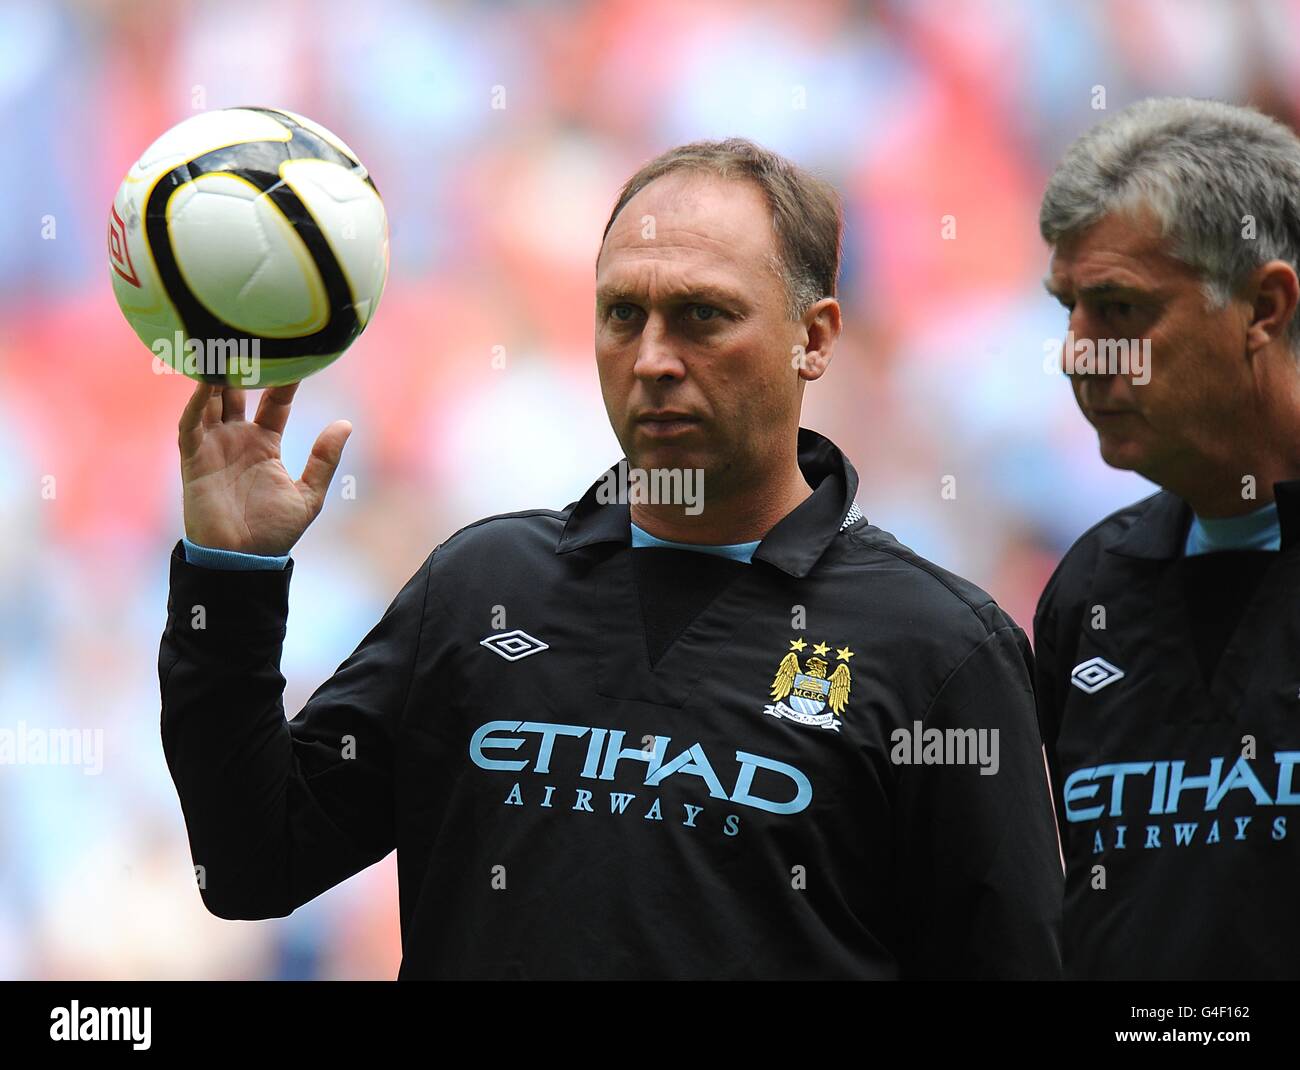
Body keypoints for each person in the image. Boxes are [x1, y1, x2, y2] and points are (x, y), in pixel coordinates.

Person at [161, 137, 1062, 979]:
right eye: (623, 314)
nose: (654, 358)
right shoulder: (482, 588)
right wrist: (228, 577)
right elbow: (251, 864)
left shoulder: (939, 650)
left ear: (815, 338)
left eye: (703, 315)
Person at [1036, 97, 1300, 979]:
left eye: (1118, 309)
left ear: (1263, 306)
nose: (1079, 353)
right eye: (1069, 307)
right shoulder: (1091, 590)